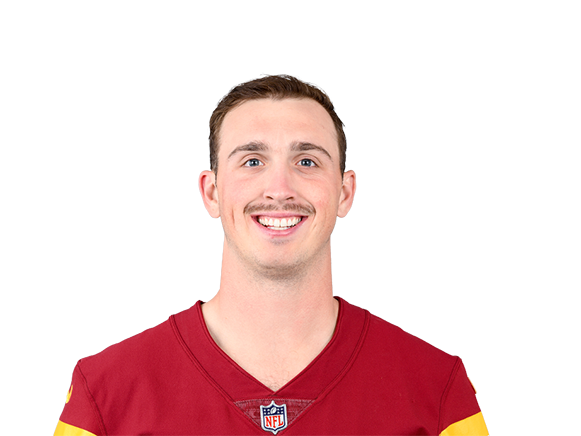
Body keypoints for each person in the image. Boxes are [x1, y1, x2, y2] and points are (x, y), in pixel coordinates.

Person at [55, 75, 488, 435]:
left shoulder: (438, 394)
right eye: (252, 161)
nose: (279, 189)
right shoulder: (104, 395)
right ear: (211, 191)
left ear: (345, 192)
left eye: (307, 162)